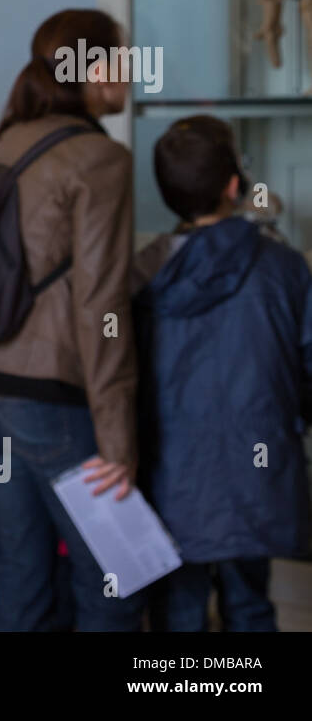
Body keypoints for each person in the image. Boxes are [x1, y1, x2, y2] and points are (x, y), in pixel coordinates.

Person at [0, 8, 141, 631]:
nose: (132, 69)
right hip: (51, 402)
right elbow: (101, 308)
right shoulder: (99, 159)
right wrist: (118, 441)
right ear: (93, 68)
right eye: (122, 55)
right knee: (114, 576)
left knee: (22, 575)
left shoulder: (5, 142)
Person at [133, 116, 312, 631]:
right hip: (257, 471)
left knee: (178, 612)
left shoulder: (143, 272)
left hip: (171, 474)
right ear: (235, 186)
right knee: (251, 603)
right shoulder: (286, 268)